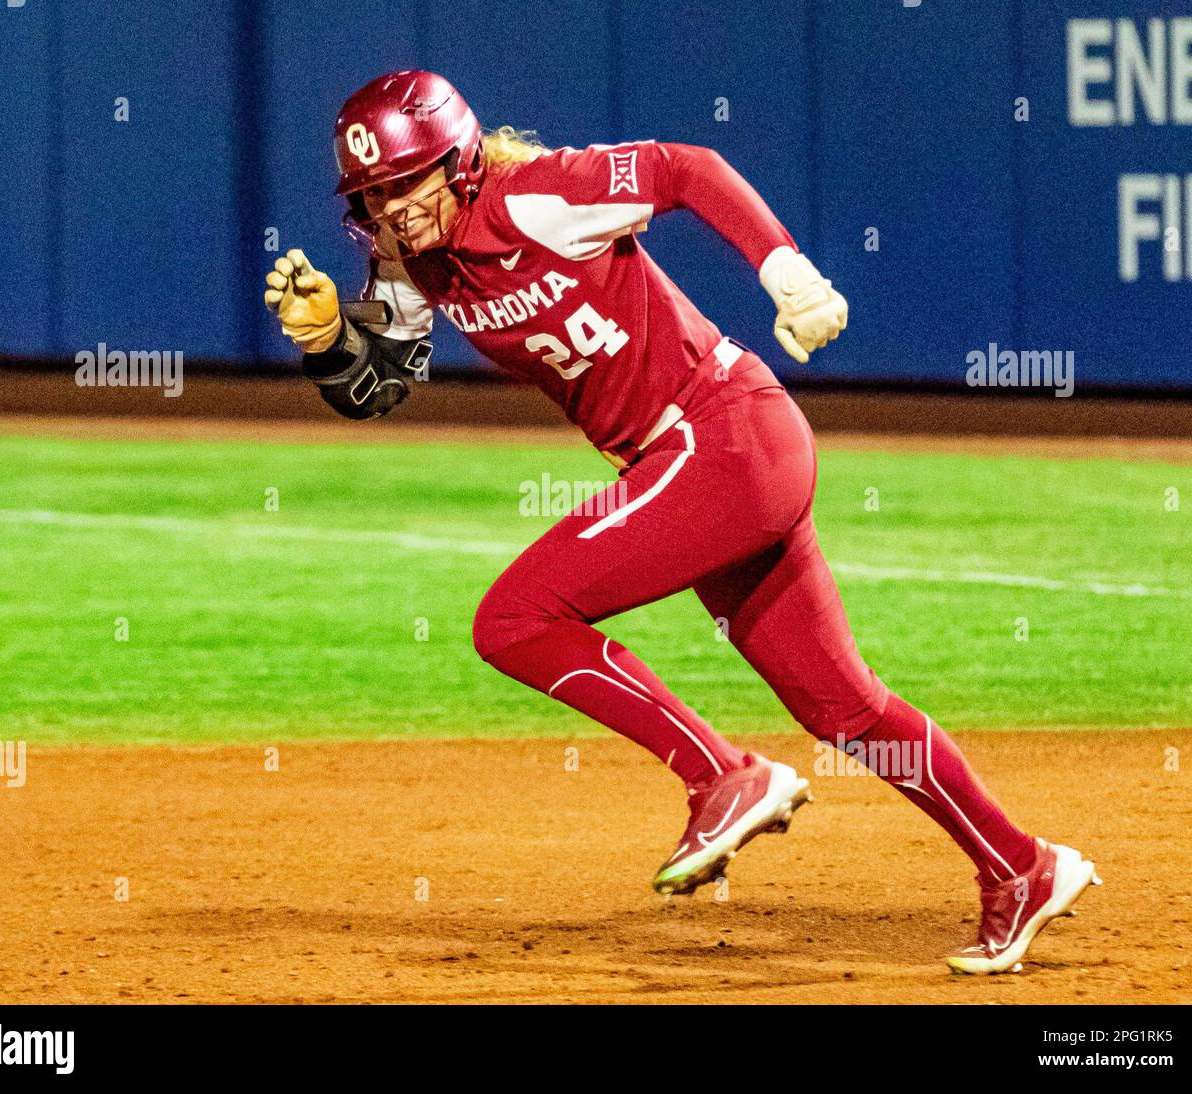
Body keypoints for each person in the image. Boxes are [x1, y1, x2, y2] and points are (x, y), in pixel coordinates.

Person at [264, 70, 1099, 974]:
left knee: (514, 620)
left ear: (460, 162)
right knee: (844, 709)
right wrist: (327, 342)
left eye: (405, 180)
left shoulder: (537, 197)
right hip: (702, 463)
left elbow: (688, 168)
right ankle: (1020, 865)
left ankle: (723, 774)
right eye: (373, 194)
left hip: (726, 437)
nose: (390, 208)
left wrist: (788, 272)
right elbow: (378, 382)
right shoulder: (408, 259)